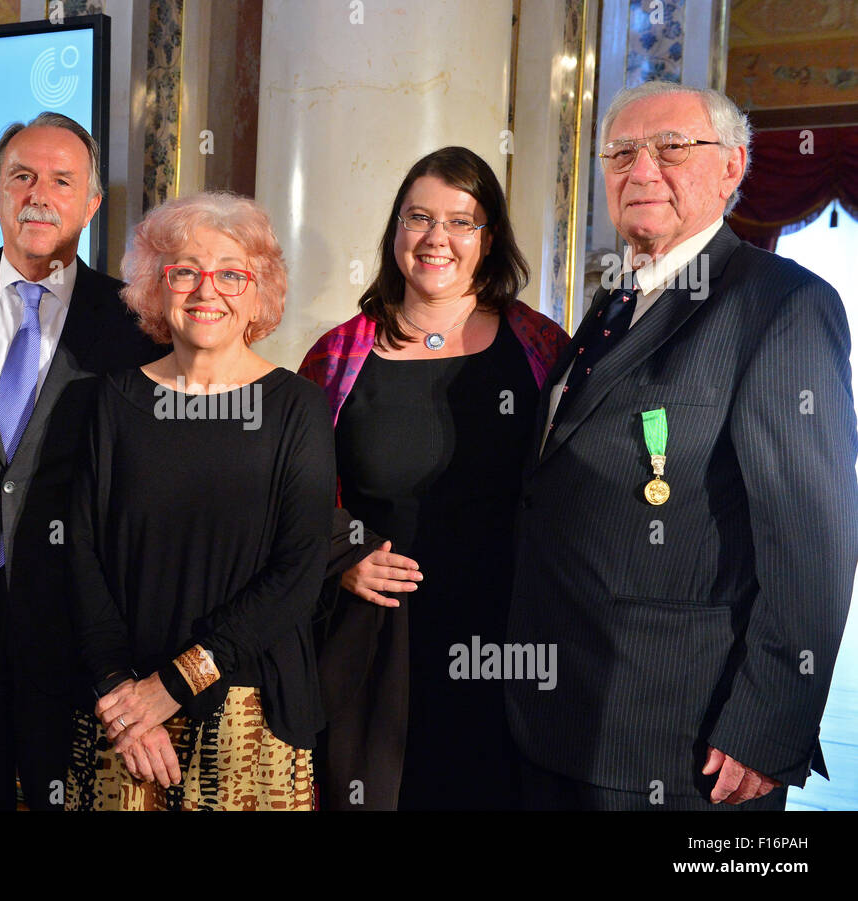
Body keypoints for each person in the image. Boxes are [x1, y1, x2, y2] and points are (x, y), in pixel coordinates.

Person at [506, 81, 858, 810]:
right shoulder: (613, 303)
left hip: (679, 736)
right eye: (622, 153)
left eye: (671, 148)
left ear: (733, 167)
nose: (641, 171)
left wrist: (769, 724)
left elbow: (812, 537)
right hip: (559, 713)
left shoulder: (780, 304)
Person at [0, 112, 161, 810]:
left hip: (76, 631)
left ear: (91, 203)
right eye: (23, 176)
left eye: (62, 180)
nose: (39, 194)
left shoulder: (134, 322)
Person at [299, 147, 569, 810]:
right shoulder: (337, 355)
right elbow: (290, 495)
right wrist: (343, 557)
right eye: (418, 217)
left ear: (492, 237)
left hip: (508, 642)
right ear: (395, 231)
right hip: (373, 643)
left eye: (461, 221)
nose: (436, 238)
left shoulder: (542, 347)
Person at [65, 191, 335, 811]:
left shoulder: (297, 407)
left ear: (258, 290)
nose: (205, 290)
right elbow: (79, 553)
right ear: (156, 287)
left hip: (250, 715)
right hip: (122, 716)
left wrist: (172, 686)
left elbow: (298, 572)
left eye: (230, 273)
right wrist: (122, 693)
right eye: (184, 270)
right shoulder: (112, 399)